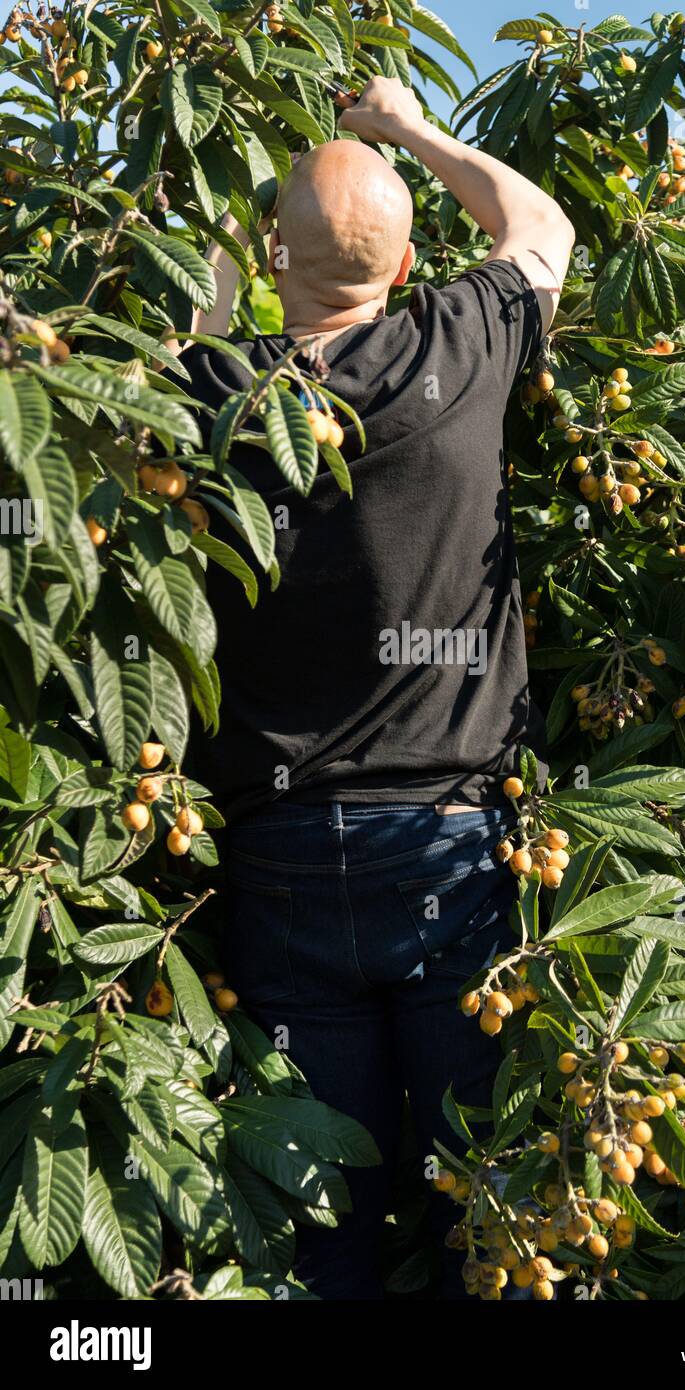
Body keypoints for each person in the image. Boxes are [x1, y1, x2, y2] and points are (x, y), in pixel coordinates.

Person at [169, 77, 574, 1299]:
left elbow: (191, 327)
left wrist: (240, 254)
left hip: (278, 857)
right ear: (405, 266)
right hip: (451, 855)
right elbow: (538, 227)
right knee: (485, 1200)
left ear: (275, 251)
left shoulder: (212, 395)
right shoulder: (461, 342)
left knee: (321, 1216)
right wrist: (408, 133)